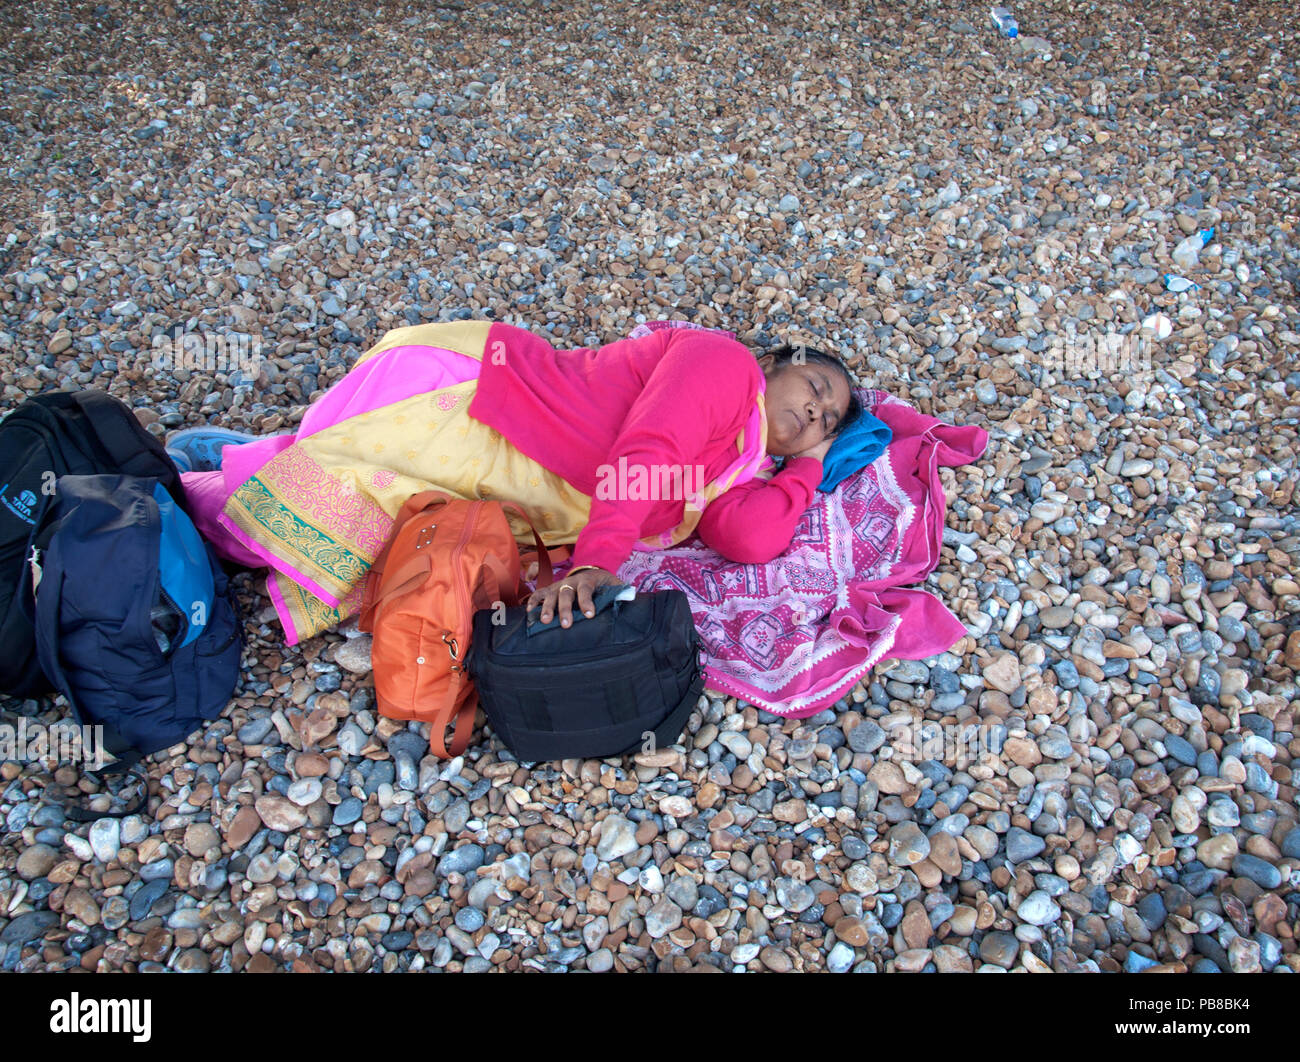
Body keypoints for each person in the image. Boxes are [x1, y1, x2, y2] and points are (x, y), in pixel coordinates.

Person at [170, 319, 860, 643]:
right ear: (777, 364)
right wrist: (596, 564)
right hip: (482, 409)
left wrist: (806, 464)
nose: (813, 409)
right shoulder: (724, 365)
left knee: (391, 557)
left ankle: (244, 456)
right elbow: (647, 452)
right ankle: (171, 486)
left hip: (512, 485)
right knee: (274, 528)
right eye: (816, 385)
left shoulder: (741, 465)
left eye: (826, 418)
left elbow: (747, 538)